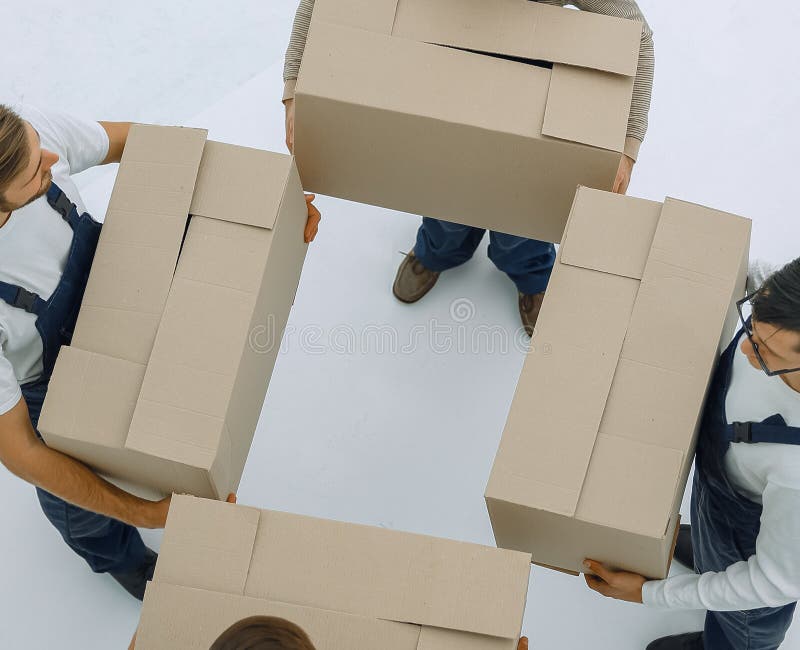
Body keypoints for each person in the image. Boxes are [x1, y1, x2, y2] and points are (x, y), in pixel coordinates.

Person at [0, 104, 320, 601]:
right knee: (83, 515)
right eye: (33, 173)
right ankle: (122, 560)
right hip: (53, 383)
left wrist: (275, 208)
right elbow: (22, 452)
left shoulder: (24, 140)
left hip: (129, 292)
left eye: (38, 146)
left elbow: (154, 149)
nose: (52, 159)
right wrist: (146, 513)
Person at [282, 0, 654, 335]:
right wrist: (296, 87)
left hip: (532, 103)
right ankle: (438, 251)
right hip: (443, 86)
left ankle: (530, 273)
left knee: (523, 219)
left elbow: (638, 36)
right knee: (445, 199)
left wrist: (626, 148)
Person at [584, 259, 800, 649]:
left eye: (765, 351)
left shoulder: (795, 476)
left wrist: (649, 594)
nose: (746, 347)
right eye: (750, 324)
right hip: (719, 496)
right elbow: (751, 275)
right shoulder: (783, 310)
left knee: (739, 634)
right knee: (707, 544)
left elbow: (771, 583)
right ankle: (705, 552)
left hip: (747, 547)